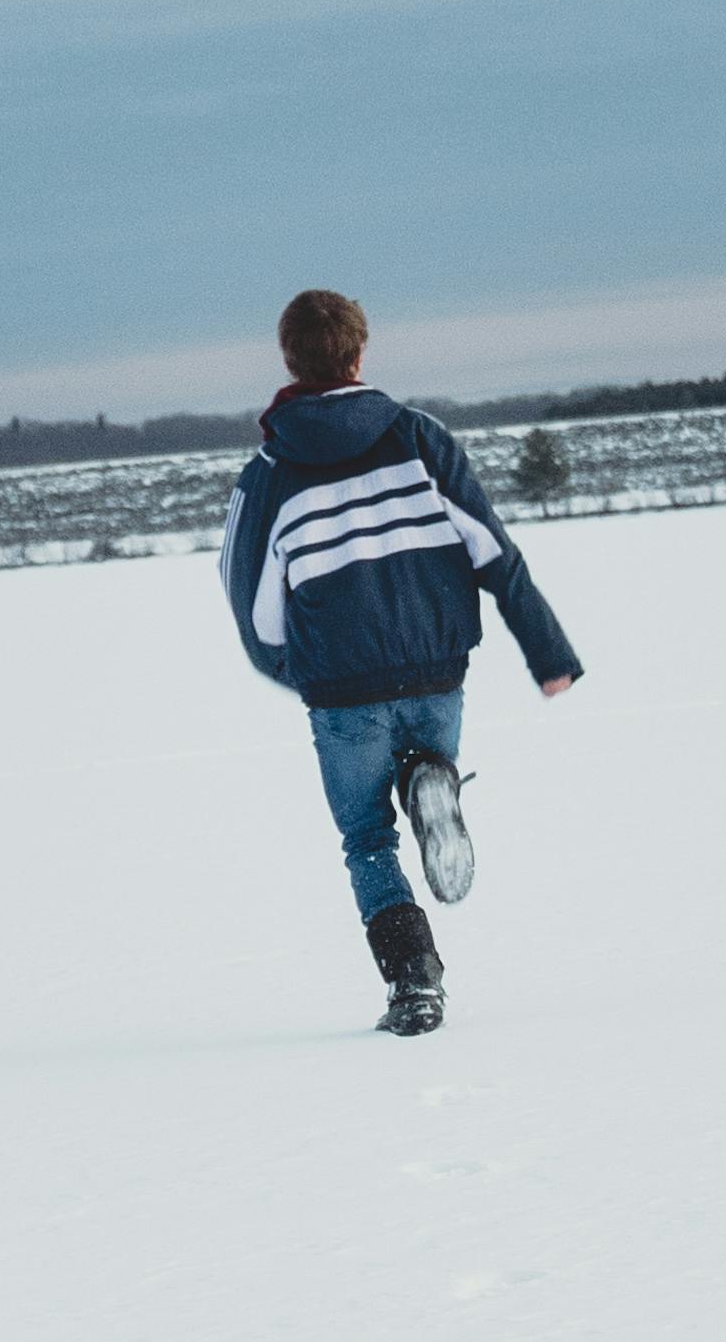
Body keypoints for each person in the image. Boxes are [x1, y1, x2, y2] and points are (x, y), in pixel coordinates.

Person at [219, 289, 583, 1035]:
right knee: (419, 760)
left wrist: (302, 670)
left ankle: (415, 983)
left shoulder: (269, 475)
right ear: (359, 354)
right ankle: (430, 778)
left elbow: (252, 605)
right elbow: (493, 553)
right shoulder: (420, 439)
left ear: (291, 360)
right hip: (435, 670)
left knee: (367, 839)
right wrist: (549, 653)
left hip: (341, 691)